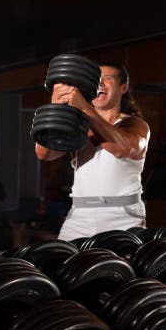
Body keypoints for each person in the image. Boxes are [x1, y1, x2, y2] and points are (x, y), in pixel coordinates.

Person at [35, 62, 150, 242]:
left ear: (123, 87)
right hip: (80, 215)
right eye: (96, 80)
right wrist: (57, 110)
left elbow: (122, 149)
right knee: (64, 266)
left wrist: (85, 108)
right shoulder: (78, 125)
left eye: (108, 79)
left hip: (122, 216)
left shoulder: (135, 125)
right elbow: (44, 154)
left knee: (117, 268)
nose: (100, 84)